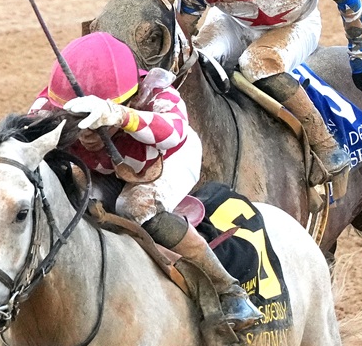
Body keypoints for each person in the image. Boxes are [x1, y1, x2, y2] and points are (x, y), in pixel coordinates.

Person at [30, 32, 262, 330]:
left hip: (168, 160)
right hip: (104, 170)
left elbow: (174, 131)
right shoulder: (50, 102)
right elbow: (25, 139)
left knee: (134, 206)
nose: (86, 134)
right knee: (73, 199)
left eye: (94, 122)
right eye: (78, 119)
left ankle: (228, 290)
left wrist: (120, 117)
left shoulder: (156, 92)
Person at [182, 0, 362, 183]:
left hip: (296, 24)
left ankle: (325, 142)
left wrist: (359, 58)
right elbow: (183, 31)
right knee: (198, 57)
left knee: (257, 62)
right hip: (232, 22)